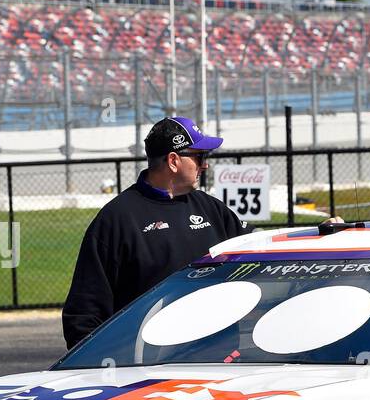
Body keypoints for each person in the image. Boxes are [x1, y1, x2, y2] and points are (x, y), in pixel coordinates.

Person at [62, 117, 249, 349]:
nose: (205, 165)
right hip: (148, 366)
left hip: (217, 356)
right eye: (200, 156)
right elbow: (84, 313)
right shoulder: (118, 218)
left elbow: (254, 254)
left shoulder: (212, 209)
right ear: (173, 161)